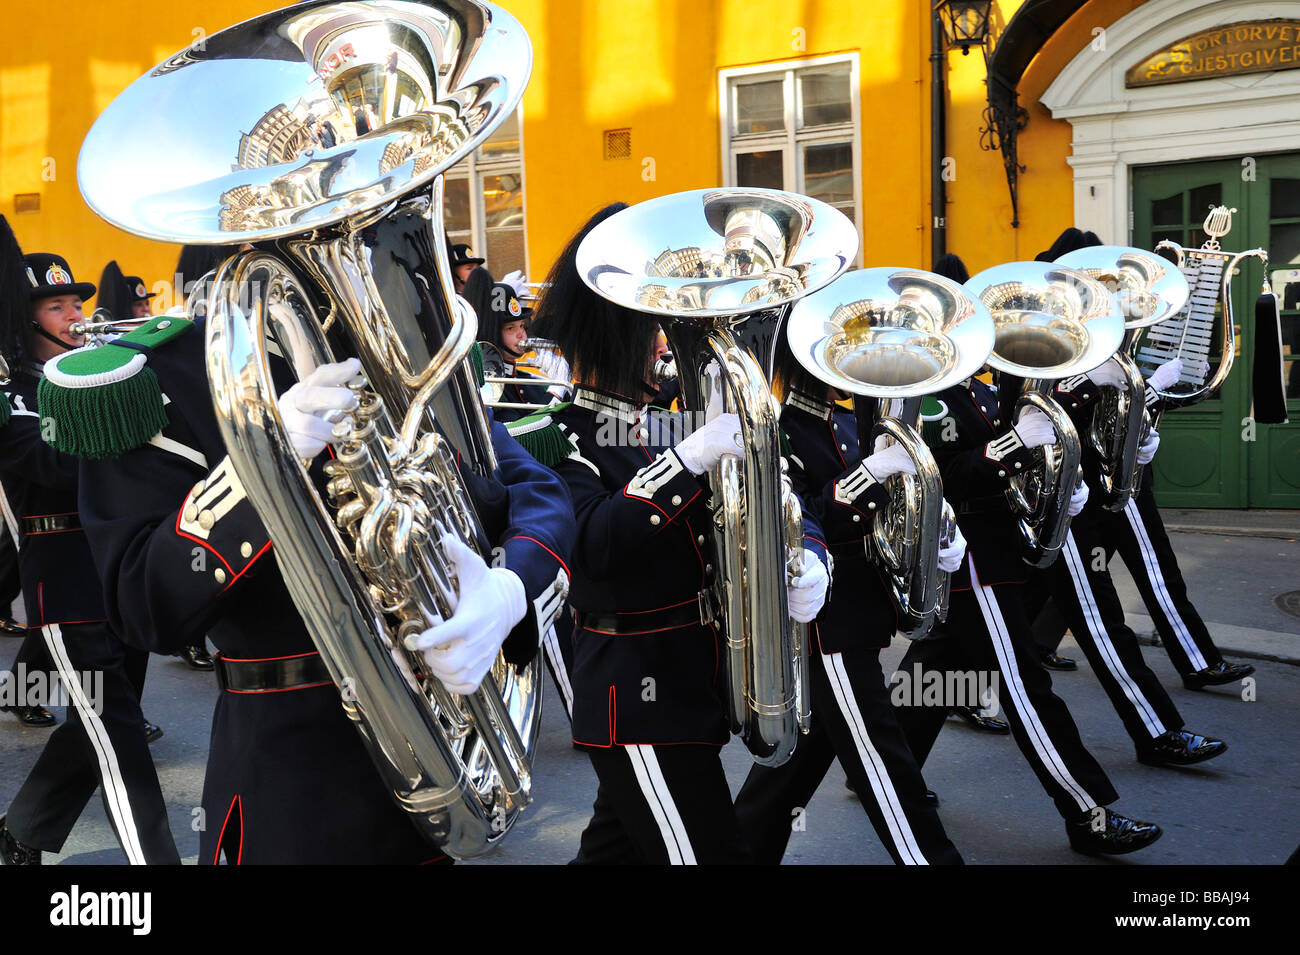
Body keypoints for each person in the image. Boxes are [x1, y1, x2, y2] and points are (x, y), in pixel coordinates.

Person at [67, 261, 574, 864]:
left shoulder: (404, 346)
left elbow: (527, 486)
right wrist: (260, 470)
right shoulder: (155, 377)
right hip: (291, 783)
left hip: (442, 755)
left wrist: (511, 588)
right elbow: (144, 608)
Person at [536, 203, 830, 864]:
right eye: (654, 330)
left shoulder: (670, 425)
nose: (667, 345)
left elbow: (777, 500)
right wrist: (689, 461)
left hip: (687, 693)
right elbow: (591, 546)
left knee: (613, 852)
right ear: (615, 331)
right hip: (636, 702)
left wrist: (810, 557)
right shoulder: (559, 435)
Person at [892, 367, 1164, 856]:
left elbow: (1031, 449)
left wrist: (1067, 476)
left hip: (1002, 548)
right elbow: (942, 479)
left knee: (938, 666)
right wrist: (1013, 445)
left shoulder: (985, 384)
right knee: (1024, 686)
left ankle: (890, 773)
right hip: (970, 556)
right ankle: (1088, 814)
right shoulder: (922, 395)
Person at [730, 337, 965, 865]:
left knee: (781, 785)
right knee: (890, 774)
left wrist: (941, 529)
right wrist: (870, 475)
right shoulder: (782, 428)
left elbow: (893, 508)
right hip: (825, 625)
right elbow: (800, 514)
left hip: (860, 616)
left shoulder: (846, 425)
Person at [0, 223, 179, 866]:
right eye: (57, 307)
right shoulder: (10, 395)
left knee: (101, 721)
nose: (76, 316)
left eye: (76, 303)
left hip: (117, 570)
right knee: (119, 733)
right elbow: (50, 466)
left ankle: (20, 832)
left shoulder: (92, 374)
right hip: (65, 585)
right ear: (25, 323)